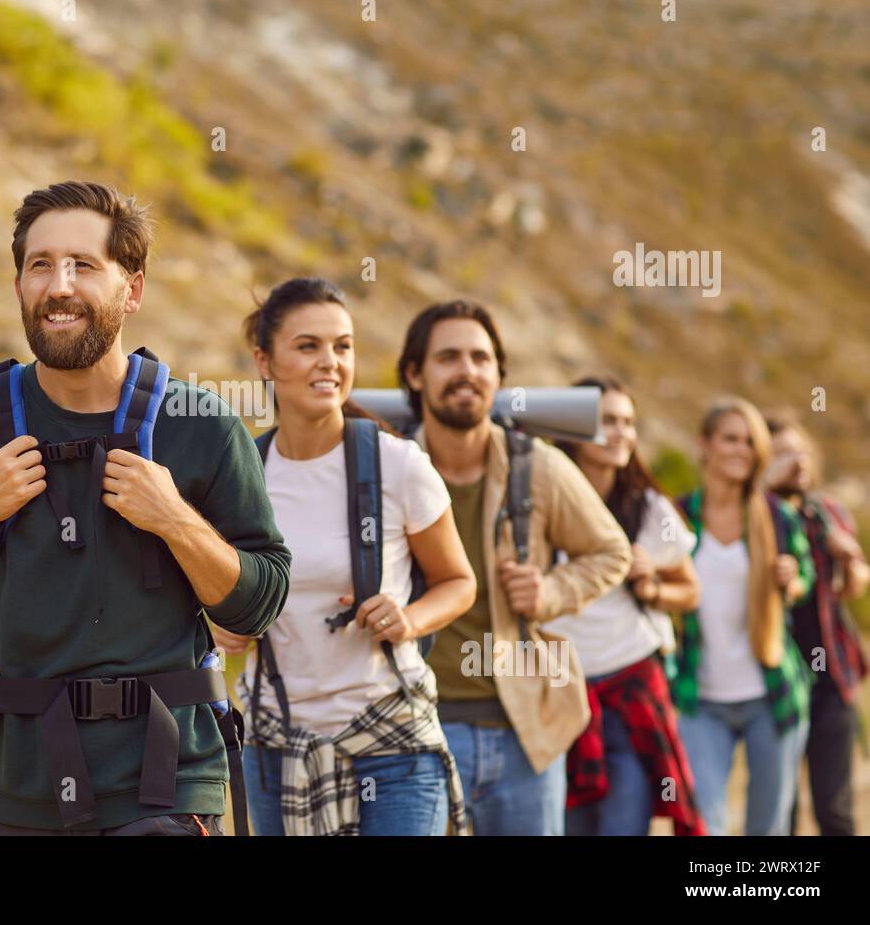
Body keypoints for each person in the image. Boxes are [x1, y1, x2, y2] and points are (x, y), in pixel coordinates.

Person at [0, 181, 291, 835]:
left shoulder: (201, 426)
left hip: (164, 785)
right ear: (19, 284)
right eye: (40, 265)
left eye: (83, 265)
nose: (59, 286)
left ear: (131, 290)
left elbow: (259, 601)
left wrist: (174, 519)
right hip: (13, 790)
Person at [213, 278, 476, 836]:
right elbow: (211, 593)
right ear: (265, 360)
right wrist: (219, 625)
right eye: (308, 346)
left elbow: (458, 581)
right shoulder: (243, 476)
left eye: (343, 346)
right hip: (276, 747)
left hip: (394, 741)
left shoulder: (399, 465)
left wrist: (409, 619)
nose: (330, 361)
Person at [397, 300, 632, 835]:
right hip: (415, 730)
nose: (467, 371)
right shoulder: (388, 469)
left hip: (525, 734)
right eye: (449, 357)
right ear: (415, 373)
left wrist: (549, 592)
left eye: (482, 358)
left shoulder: (538, 466)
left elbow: (611, 552)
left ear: (499, 375)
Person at [544, 376, 705, 835]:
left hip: (629, 692)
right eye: (607, 421)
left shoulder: (649, 507)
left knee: (623, 826)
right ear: (571, 428)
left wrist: (651, 584)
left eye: (629, 422)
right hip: (559, 695)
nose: (621, 434)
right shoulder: (538, 499)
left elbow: (690, 592)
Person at [670, 398, 814, 836]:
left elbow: (803, 575)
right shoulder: (676, 516)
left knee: (766, 829)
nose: (741, 450)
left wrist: (791, 580)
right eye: (730, 439)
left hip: (771, 695)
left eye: (751, 442)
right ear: (705, 445)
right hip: (700, 699)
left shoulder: (775, 515)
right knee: (704, 823)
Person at [765, 412, 868, 836]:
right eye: (784, 454)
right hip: (775, 679)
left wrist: (849, 558)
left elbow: (856, 585)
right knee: (781, 808)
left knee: (833, 808)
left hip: (832, 678)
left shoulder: (828, 512)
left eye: (802, 452)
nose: (798, 462)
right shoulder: (755, 516)